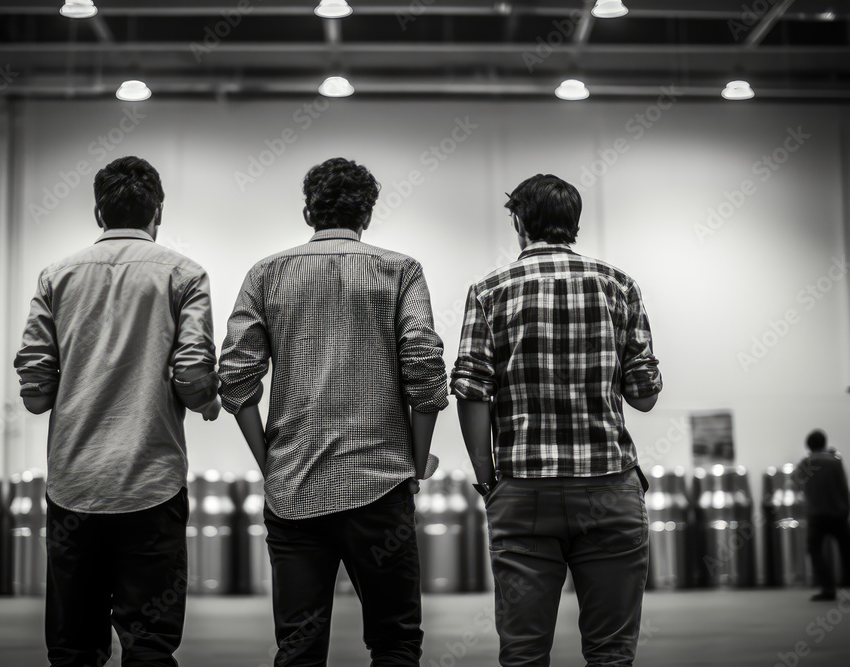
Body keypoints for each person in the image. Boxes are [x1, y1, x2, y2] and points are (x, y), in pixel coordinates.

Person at [218, 157, 449, 667]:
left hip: (294, 493)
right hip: (382, 490)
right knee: (395, 643)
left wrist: (269, 463)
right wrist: (415, 464)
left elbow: (234, 380)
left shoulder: (267, 274)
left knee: (298, 649)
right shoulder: (400, 270)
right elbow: (426, 372)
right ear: (367, 213)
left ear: (308, 212)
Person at [14, 156, 220, 667]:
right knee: (149, 645)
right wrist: (209, 402)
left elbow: (36, 393)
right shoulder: (185, 275)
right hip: (152, 486)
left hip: (74, 487)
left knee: (73, 648)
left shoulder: (55, 276)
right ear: (158, 211)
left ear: (97, 211)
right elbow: (192, 376)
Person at [451, 174, 662, 666]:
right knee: (611, 653)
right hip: (609, 490)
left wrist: (488, 479)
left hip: (524, 494)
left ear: (519, 222)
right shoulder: (619, 285)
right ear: (575, 224)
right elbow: (645, 396)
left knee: (524, 653)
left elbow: (471, 390)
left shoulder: (489, 290)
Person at [796, 429, 850, 601]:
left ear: (808, 446)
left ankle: (828, 588)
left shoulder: (806, 463)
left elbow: (797, 484)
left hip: (817, 515)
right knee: (846, 550)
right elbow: (843, 487)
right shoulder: (835, 461)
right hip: (838, 513)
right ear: (824, 443)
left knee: (815, 550)